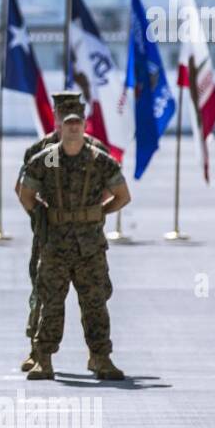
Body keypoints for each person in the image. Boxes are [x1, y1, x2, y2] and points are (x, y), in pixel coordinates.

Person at [17, 93, 130, 381]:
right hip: (52, 240)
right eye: (66, 120)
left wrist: (94, 212)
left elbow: (118, 193)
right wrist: (43, 216)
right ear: (57, 118)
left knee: (95, 301)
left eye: (77, 120)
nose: (72, 127)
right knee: (49, 301)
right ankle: (41, 354)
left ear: (84, 122)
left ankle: (100, 356)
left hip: (89, 244)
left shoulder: (98, 155)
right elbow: (25, 190)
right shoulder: (45, 153)